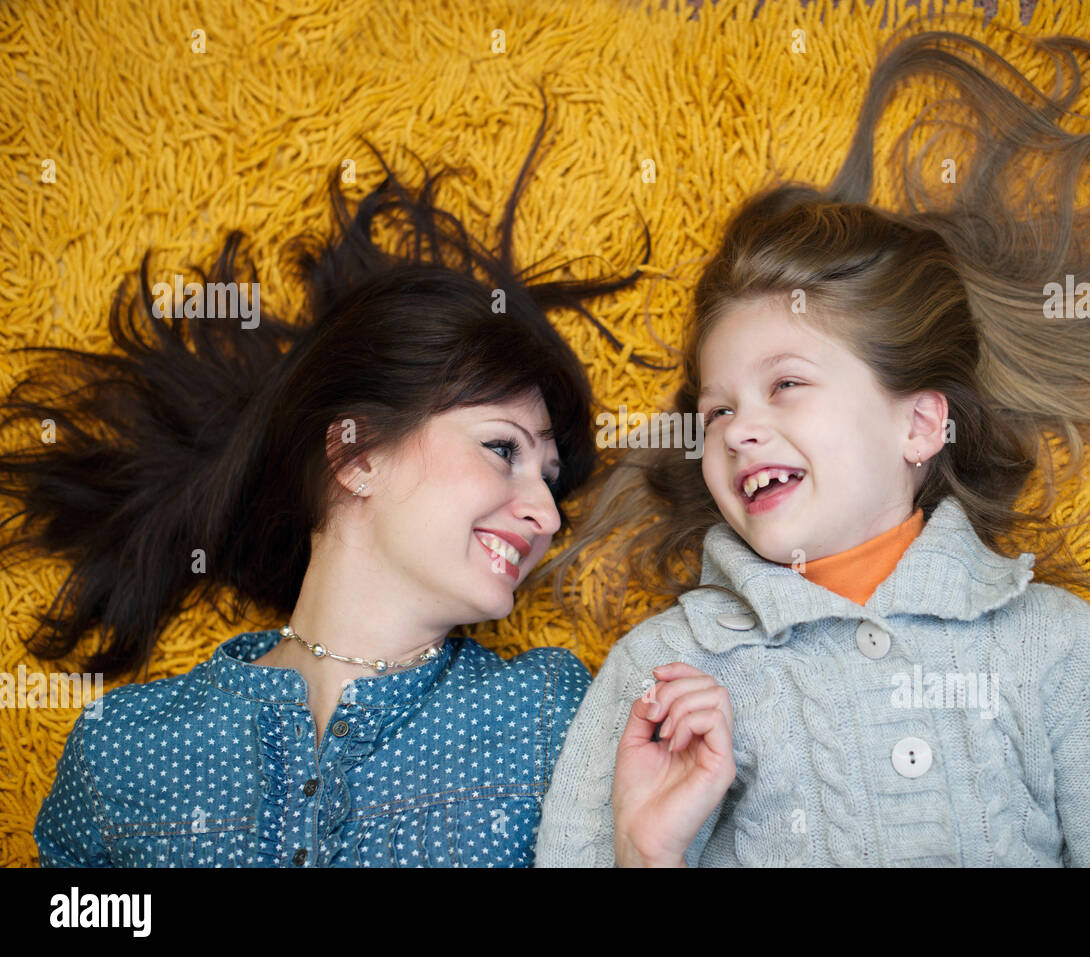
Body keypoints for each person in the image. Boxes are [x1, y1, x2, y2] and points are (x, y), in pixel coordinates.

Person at [534, 27, 1090, 866]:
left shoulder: (1052, 642)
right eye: (716, 411)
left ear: (920, 425)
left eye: (786, 383)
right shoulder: (664, 671)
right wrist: (648, 852)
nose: (738, 429)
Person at [10, 107, 648, 866]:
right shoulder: (124, 748)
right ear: (354, 455)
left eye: (549, 478)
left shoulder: (550, 715)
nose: (546, 513)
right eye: (502, 448)